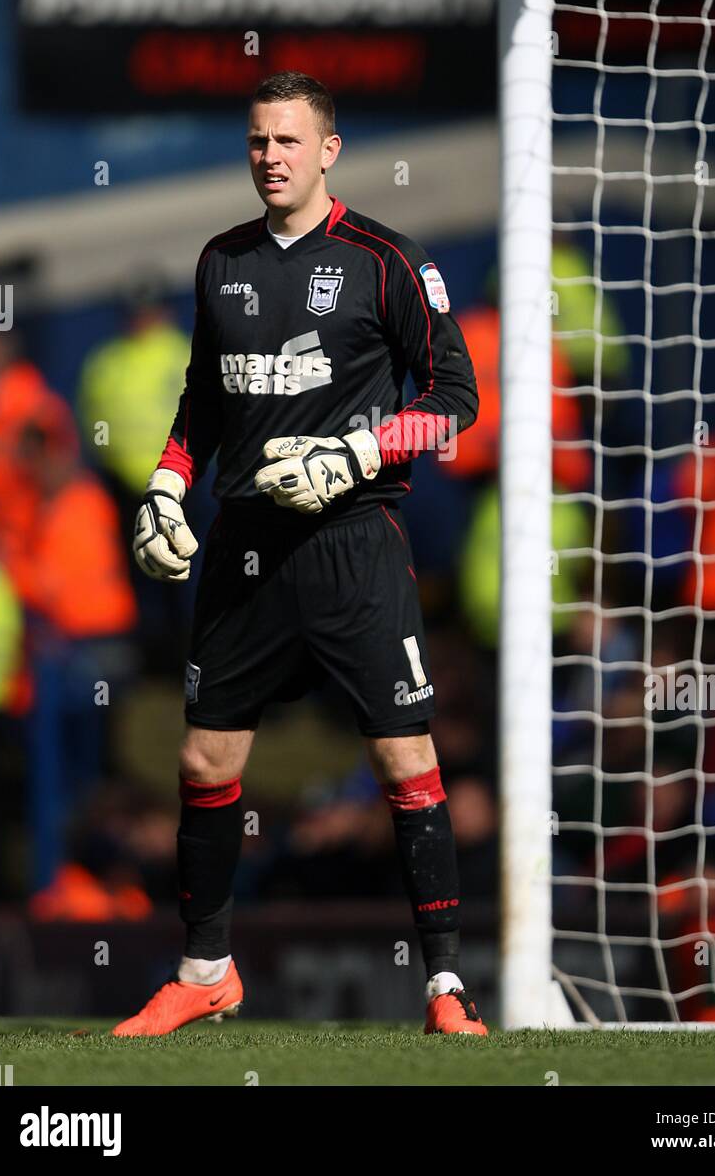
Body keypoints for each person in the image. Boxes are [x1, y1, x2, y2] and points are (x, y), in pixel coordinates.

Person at [114, 71, 486, 1037]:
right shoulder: (221, 260)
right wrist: (166, 481)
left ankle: (446, 990)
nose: (269, 157)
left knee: (405, 757)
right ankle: (206, 970)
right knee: (203, 757)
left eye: (288, 141)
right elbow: (206, 396)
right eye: (256, 141)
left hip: (354, 542)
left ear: (329, 150)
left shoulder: (384, 260)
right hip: (244, 546)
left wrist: (356, 453)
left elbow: (455, 397)